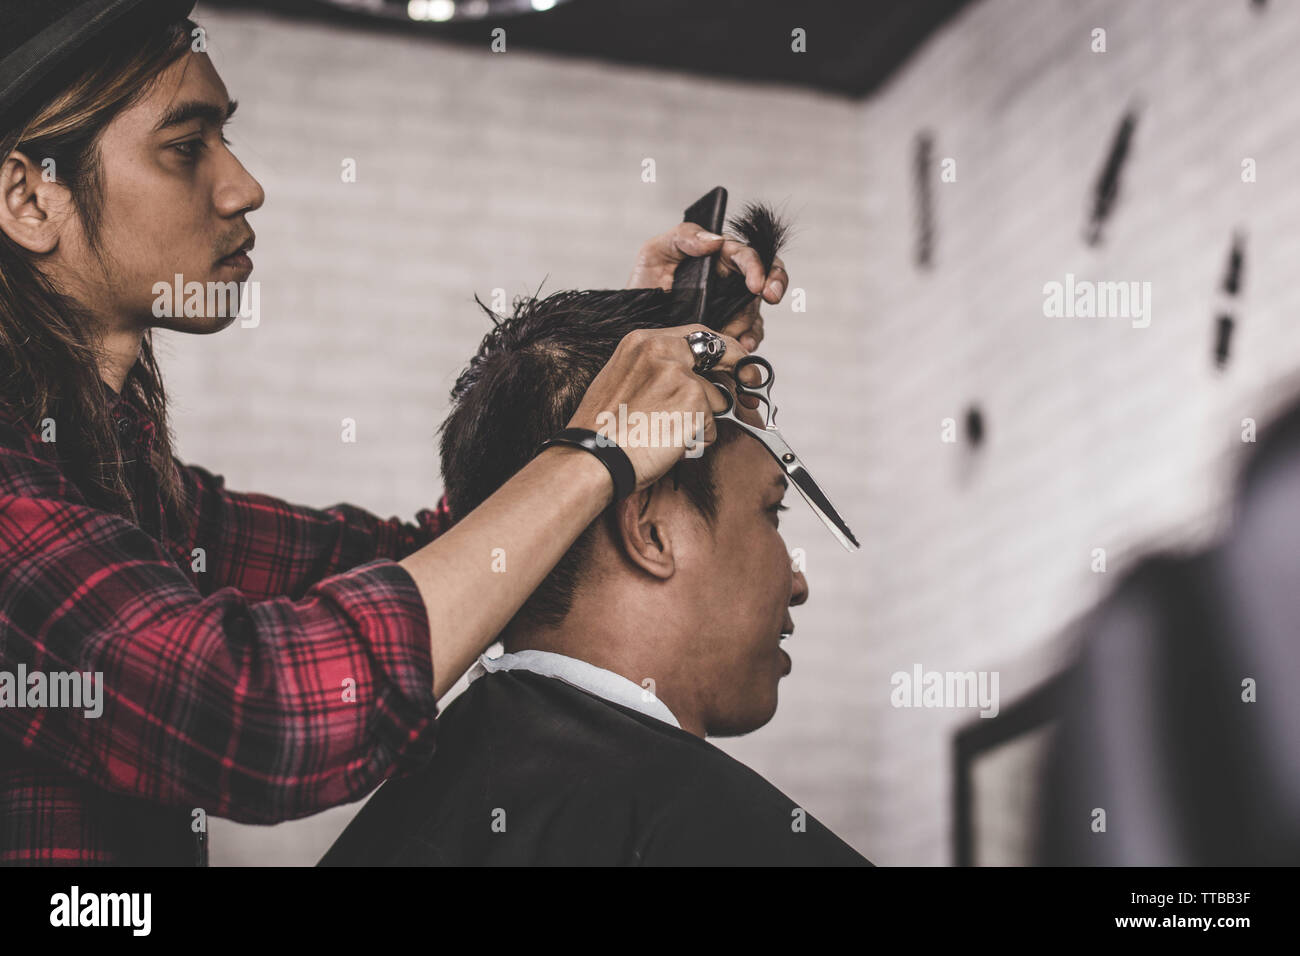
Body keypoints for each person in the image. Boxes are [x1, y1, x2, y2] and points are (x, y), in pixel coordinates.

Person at [0, 0, 789, 864]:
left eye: (226, 139)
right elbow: (256, 713)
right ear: (30, 198)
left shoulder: (136, 497)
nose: (244, 185)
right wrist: (600, 448)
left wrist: (608, 355)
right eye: (187, 147)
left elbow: (452, 554)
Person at [321, 205, 870, 866]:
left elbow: (502, 520)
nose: (799, 580)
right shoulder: (719, 837)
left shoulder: (400, 822)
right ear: (649, 529)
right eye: (772, 511)